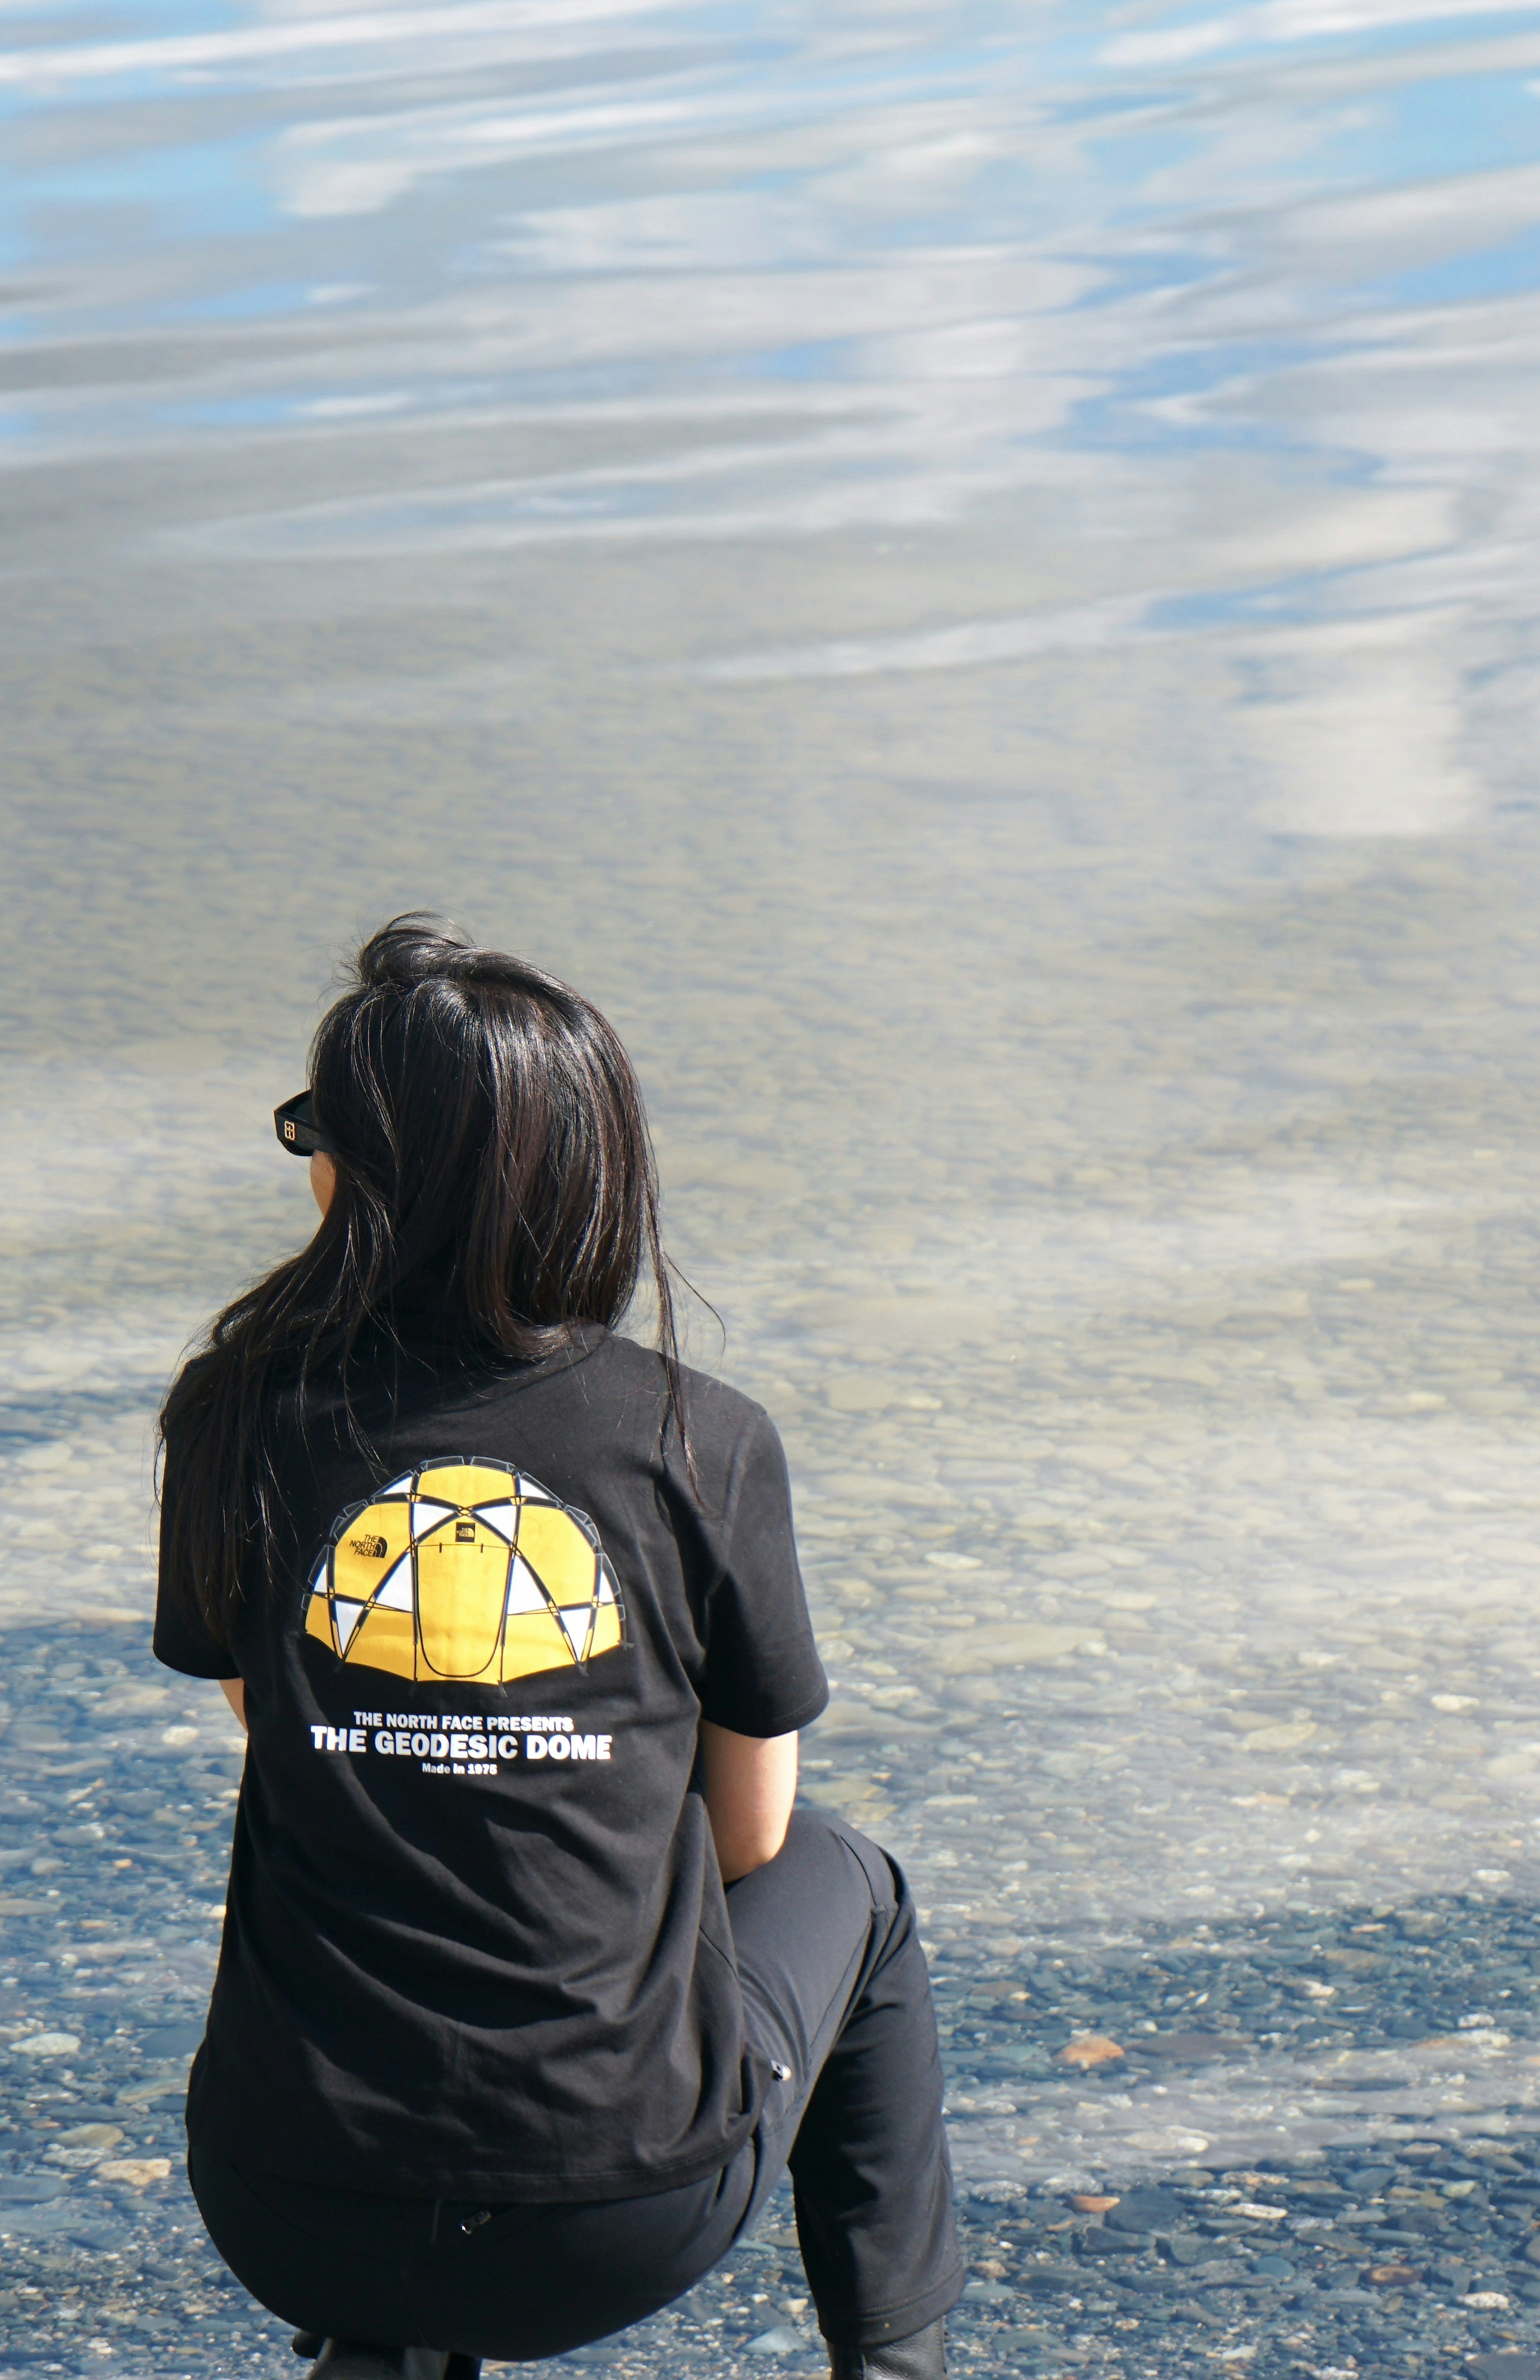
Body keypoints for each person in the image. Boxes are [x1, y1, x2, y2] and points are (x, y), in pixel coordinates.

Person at [151, 916, 960, 2380]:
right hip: (618, 2216)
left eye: (309, 1131)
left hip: (284, 2205)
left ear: (360, 1174)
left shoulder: (233, 1414)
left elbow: (290, 1742)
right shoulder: (696, 1436)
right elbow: (752, 1836)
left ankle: (390, 2347)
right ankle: (894, 2367)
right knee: (857, 1881)